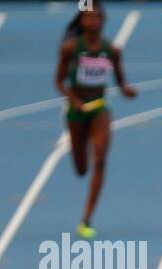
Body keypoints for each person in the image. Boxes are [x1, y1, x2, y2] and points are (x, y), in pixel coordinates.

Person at [54, 2, 136, 239]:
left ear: (103, 21)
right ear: (81, 21)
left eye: (97, 17)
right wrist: (75, 100)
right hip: (76, 110)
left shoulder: (112, 50)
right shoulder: (70, 48)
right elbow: (59, 82)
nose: (93, 21)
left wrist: (126, 90)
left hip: (99, 108)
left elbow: (120, 81)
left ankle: (87, 217)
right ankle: (78, 150)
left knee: (100, 160)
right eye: (88, 17)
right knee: (81, 168)